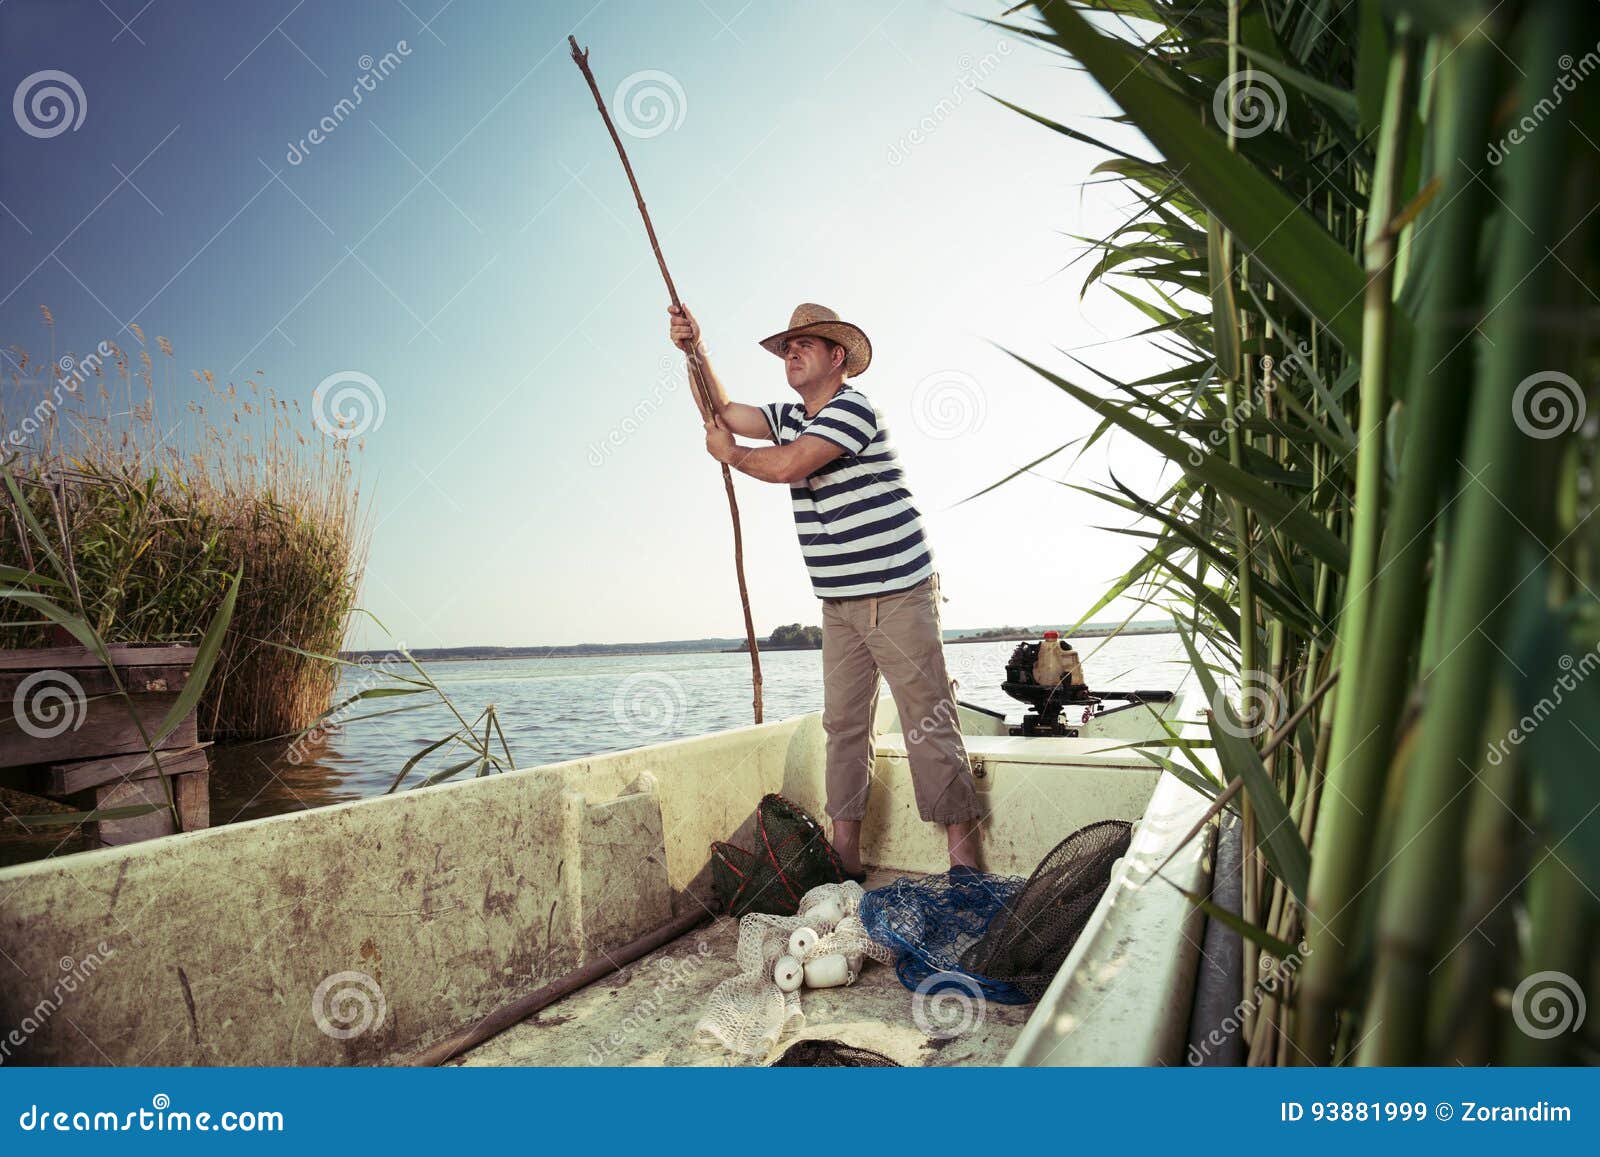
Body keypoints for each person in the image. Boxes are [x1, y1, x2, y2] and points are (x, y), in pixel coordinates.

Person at [668, 301, 980, 875]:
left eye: (804, 345)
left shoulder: (852, 409)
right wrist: (695, 350)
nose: (790, 353)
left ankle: (965, 868)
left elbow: (791, 464)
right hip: (838, 602)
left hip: (898, 588)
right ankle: (845, 862)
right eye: (786, 347)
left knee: (927, 721)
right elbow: (723, 410)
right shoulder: (790, 415)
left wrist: (731, 454)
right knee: (843, 727)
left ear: (837, 358)